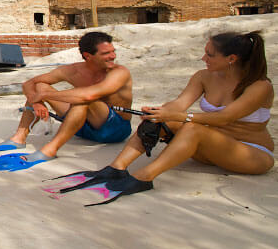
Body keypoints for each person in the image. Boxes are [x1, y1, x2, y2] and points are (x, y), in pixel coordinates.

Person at [49, 31, 274, 205]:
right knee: (159, 118)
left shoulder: (259, 86)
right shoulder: (204, 76)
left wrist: (177, 115)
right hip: (208, 150)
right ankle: (117, 167)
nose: (203, 57)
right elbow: (179, 104)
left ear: (231, 59)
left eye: (210, 54)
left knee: (192, 127)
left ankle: (144, 177)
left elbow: (225, 118)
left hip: (250, 154)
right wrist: (161, 112)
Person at [0, 31, 134, 171]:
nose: (113, 56)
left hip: (113, 130)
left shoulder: (120, 72)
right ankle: (18, 139)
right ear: (88, 56)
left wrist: (45, 96)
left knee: (81, 99)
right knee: (41, 86)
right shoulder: (72, 70)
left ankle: (50, 150)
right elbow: (29, 83)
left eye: (113, 51)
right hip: (82, 127)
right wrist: (36, 101)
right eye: (106, 53)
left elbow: (88, 95)